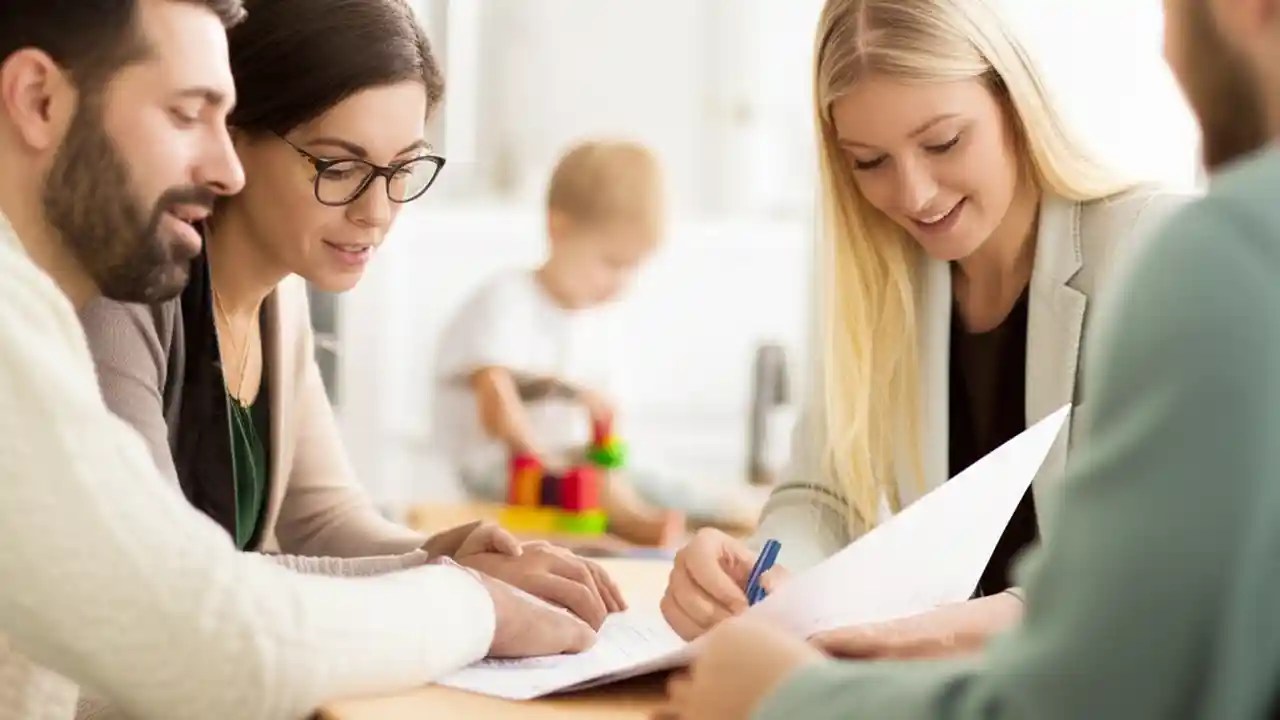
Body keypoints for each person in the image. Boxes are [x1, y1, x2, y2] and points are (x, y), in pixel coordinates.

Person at [656, 0, 1280, 716]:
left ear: (1014, 104)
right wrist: (765, 580)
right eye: (870, 163)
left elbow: (1155, 593)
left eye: (945, 142)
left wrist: (917, 640)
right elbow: (821, 490)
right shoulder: (875, 275)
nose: (913, 193)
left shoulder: (1156, 246)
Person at [0, 2, 596, 719]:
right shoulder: (79, 305)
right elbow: (199, 622)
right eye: (188, 115)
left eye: (403, 169)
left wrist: (450, 562)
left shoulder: (51, 306)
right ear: (36, 100)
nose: (221, 172)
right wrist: (470, 598)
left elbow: (304, 532)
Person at [433, 139, 687, 547]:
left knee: (655, 480)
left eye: (632, 269)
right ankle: (633, 522)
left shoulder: (596, 324)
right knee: (595, 483)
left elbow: (603, 426)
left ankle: (715, 512)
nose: (621, 283)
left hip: (570, 463)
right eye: (611, 263)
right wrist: (542, 462)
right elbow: (495, 400)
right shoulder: (507, 299)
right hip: (501, 468)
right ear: (559, 229)